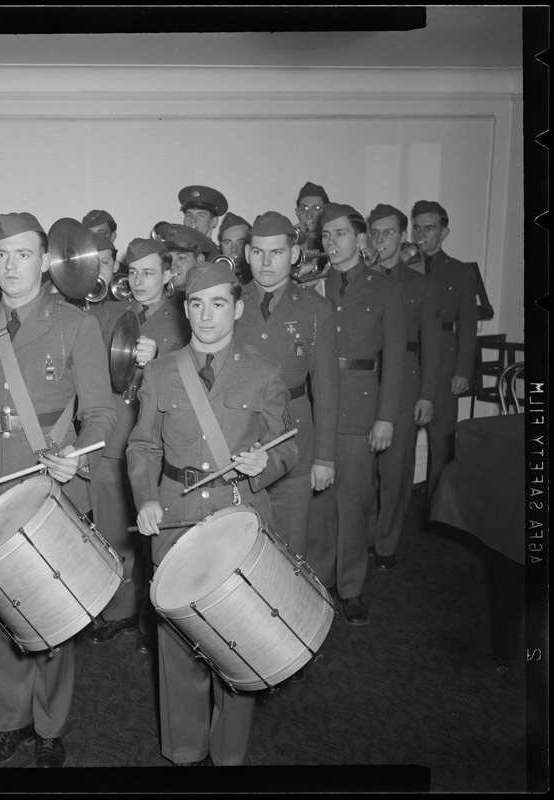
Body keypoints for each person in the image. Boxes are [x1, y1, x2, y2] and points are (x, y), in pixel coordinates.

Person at [0, 212, 116, 769]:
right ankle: (10, 722)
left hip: (49, 483)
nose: (10, 265)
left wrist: (77, 458)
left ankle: (49, 725)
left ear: (45, 260)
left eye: (22, 254)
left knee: (49, 608)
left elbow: (100, 415)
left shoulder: (76, 325)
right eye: (1, 255)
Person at [127, 260, 297, 767]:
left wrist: (266, 462)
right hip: (175, 515)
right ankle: (183, 752)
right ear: (185, 309)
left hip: (238, 517)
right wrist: (146, 498)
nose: (206, 315)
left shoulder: (264, 373)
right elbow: (142, 447)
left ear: (238, 307)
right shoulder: (159, 372)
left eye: (218, 303)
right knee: (177, 644)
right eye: (196, 304)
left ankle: (228, 759)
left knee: (234, 641)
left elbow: (288, 446)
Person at [233, 212, 338, 644]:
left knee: (292, 548)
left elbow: (328, 390)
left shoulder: (316, 309)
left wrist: (325, 457)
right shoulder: (230, 301)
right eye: (257, 251)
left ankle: (292, 636)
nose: (266, 261)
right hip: (239, 436)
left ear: (294, 254)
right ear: (245, 253)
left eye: (277, 252)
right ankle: (246, 634)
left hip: (295, 439)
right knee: (243, 546)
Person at [305, 203, 406, 626]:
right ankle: (317, 580)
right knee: (318, 504)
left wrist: (386, 417)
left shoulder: (385, 290)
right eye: (326, 235)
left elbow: (396, 360)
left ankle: (350, 589)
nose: (332, 242)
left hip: (360, 409)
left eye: (341, 234)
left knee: (352, 502)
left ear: (361, 239)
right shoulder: (311, 288)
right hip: (314, 409)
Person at [88, 238, 188, 653]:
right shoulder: (117, 313)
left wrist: (162, 353)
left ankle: (157, 619)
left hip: (161, 446)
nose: (139, 280)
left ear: (168, 275)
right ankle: (121, 611)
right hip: (118, 438)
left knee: (159, 540)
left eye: (149, 272)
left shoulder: (183, 320)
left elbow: (201, 372)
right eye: (133, 272)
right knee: (114, 532)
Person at [366, 204, 442, 570]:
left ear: (402, 237)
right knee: (363, 473)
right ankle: (363, 537)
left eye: (388, 232)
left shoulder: (421, 285)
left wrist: (427, 393)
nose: (381, 239)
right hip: (364, 384)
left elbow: (433, 344)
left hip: (406, 385)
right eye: (375, 233)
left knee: (395, 473)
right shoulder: (361, 281)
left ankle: (386, 544)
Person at [410, 200, 478, 505]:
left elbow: (468, 325)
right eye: (417, 227)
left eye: (430, 227)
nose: (422, 233)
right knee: (401, 445)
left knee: (442, 444)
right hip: (409, 364)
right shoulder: (402, 269)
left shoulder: (461, 272)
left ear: (444, 232)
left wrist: (463, 371)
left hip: (446, 367)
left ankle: (438, 510)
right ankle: (402, 511)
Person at [154, 222, 216, 295]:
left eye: (181, 258)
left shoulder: (210, 295)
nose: (172, 266)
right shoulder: (154, 295)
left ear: (199, 260)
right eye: (169, 258)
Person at [216, 211, 252, 284]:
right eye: (227, 243)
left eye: (241, 242)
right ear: (220, 245)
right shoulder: (213, 279)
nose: (234, 250)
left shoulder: (260, 277)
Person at [294, 181, 330, 252]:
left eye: (316, 208)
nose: (309, 215)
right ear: (298, 212)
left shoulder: (333, 241)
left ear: (325, 211)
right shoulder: (289, 242)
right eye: (304, 209)